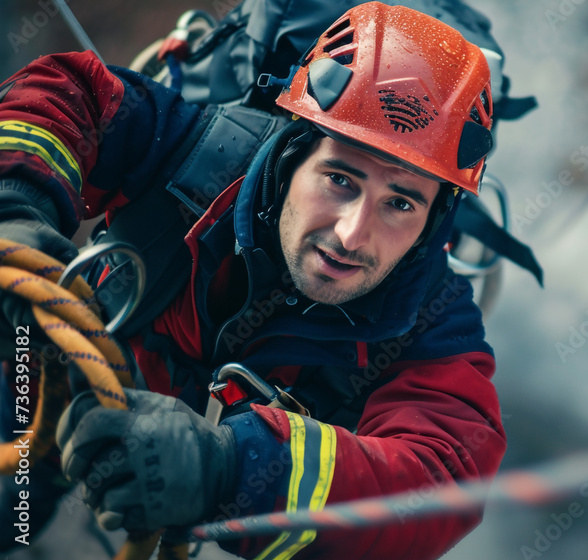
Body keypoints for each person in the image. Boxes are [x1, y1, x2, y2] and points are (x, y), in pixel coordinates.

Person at [0, 2, 507, 558]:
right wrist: (16, 213)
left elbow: (446, 478)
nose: (352, 234)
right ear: (292, 155)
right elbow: (69, 93)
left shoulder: (430, 319)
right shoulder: (194, 153)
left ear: (434, 221)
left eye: (400, 203)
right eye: (340, 178)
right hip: (43, 383)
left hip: (190, 486)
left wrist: (229, 470)